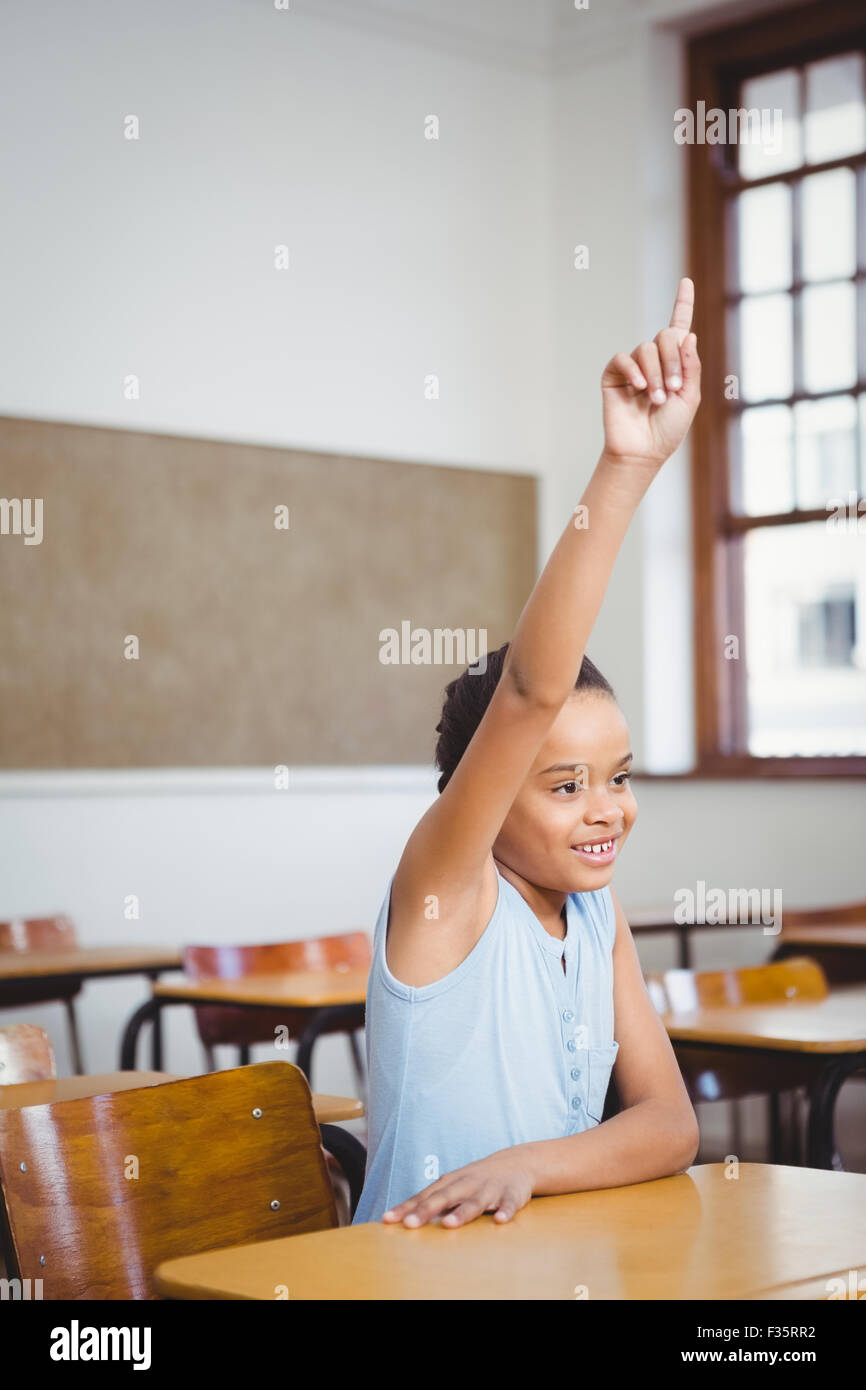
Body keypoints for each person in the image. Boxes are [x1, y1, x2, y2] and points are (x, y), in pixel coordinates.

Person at [352, 278, 702, 1229]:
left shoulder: (593, 915)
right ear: (491, 792)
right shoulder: (446, 892)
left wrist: (528, 1166)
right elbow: (528, 693)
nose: (608, 807)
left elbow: (671, 1125)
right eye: (564, 785)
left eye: (619, 778)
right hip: (407, 1287)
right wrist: (626, 468)